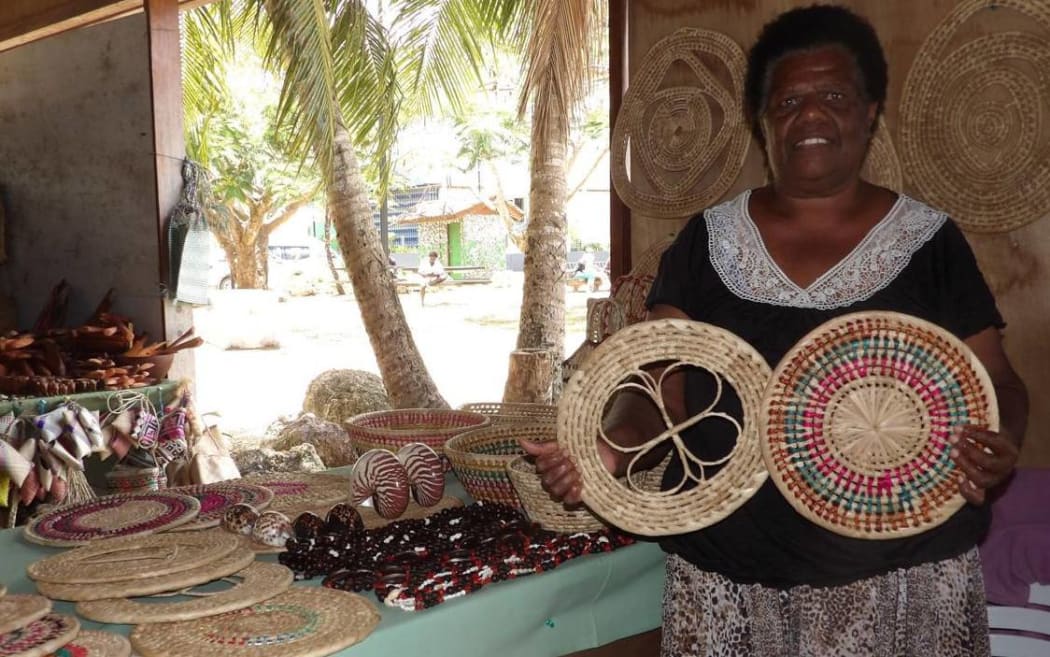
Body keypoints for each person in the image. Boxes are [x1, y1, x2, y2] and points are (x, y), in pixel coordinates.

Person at [523, 5, 1029, 656]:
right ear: (762, 121)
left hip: (899, 582)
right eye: (788, 101)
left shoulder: (930, 242)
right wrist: (609, 449)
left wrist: (1001, 437)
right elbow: (660, 386)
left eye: (834, 96)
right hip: (727, 583)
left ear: (870, 111)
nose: (810, 115)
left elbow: (998, 382)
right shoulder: (708, 240)